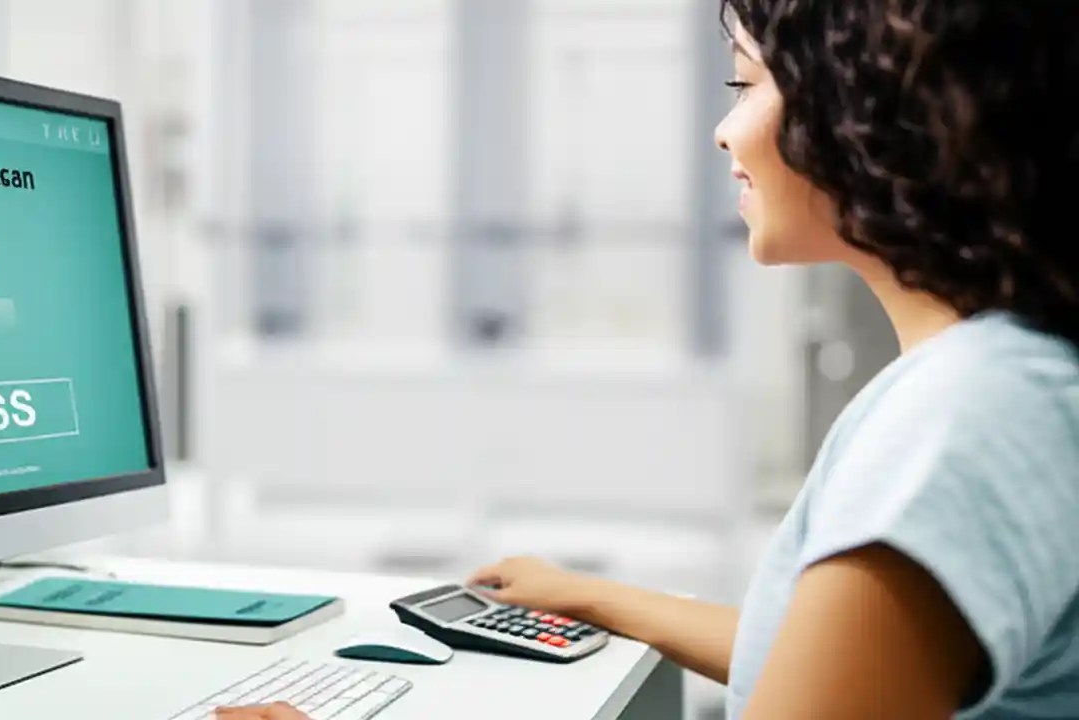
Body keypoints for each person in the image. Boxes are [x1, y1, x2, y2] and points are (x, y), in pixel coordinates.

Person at [216, 1, 1079, 717]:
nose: (722, 131)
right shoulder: (1006, 378)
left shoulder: (967, 417)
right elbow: (835, 661)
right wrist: (593, 596)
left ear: (873, 113)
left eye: (746, 86)